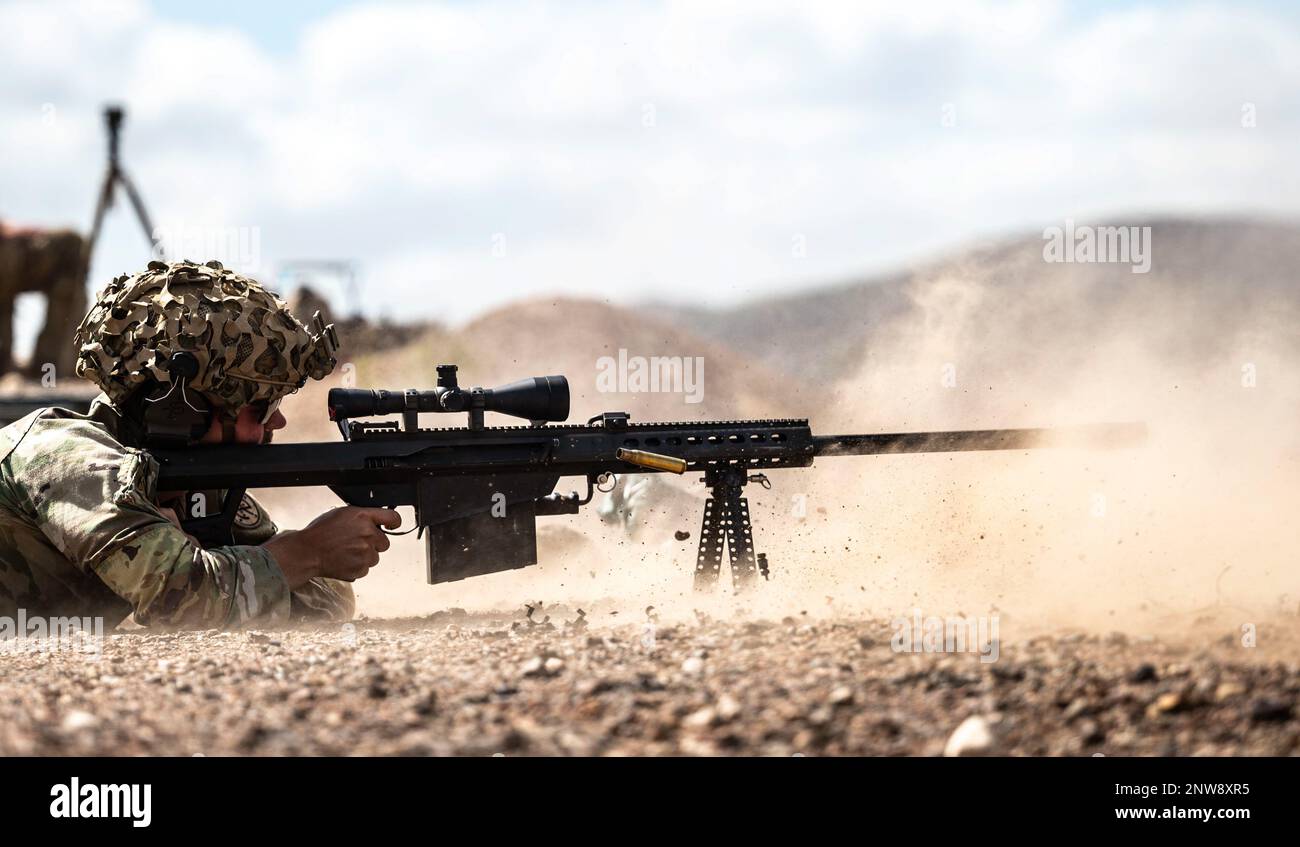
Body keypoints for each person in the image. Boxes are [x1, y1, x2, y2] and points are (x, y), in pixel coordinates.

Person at [0, 259, 399, 629]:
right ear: (180, 409)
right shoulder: (65, 458)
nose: (277, 421)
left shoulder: (188, 486)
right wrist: (308, 551)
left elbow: (320, 600)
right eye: (260, 407)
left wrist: (262, 563)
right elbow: (179, 601)